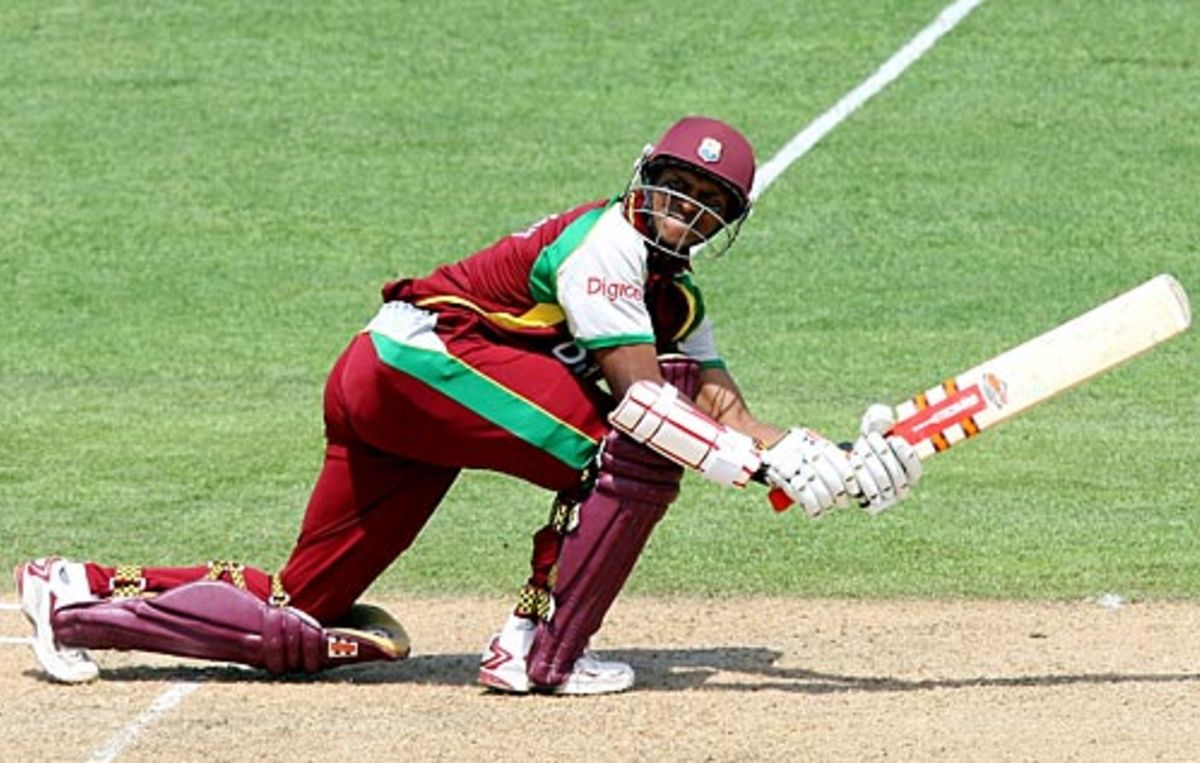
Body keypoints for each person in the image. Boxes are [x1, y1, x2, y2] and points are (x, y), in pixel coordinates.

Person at [13, 116, 922, 695]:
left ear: (726, 224)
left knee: (305, 615)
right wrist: (766, 467)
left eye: (706, 202)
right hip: (419, 367)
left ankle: (74, 592)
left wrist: (834, 458)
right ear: (642, 173)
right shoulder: (605, 248)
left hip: (397, 389)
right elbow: (647, 404)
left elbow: (722, 404)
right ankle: (539, 649)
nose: (683, 211)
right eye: (676, 187)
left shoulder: (672, 296)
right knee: (626, 445)